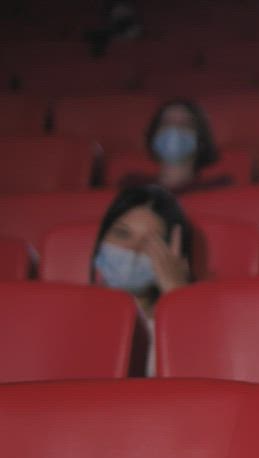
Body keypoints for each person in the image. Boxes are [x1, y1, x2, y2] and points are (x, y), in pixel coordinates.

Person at [92, 185, 193, 374]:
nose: (132, 249)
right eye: (122, 234)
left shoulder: (175, 331)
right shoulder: (67, 317)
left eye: (150, 242)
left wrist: (178, 295)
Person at [119, 99, 232, 194]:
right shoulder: (132, 187)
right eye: (166, 123)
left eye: (184, 124)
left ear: (200, 139)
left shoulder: (218, 189)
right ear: (153, 136)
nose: (174, 130)